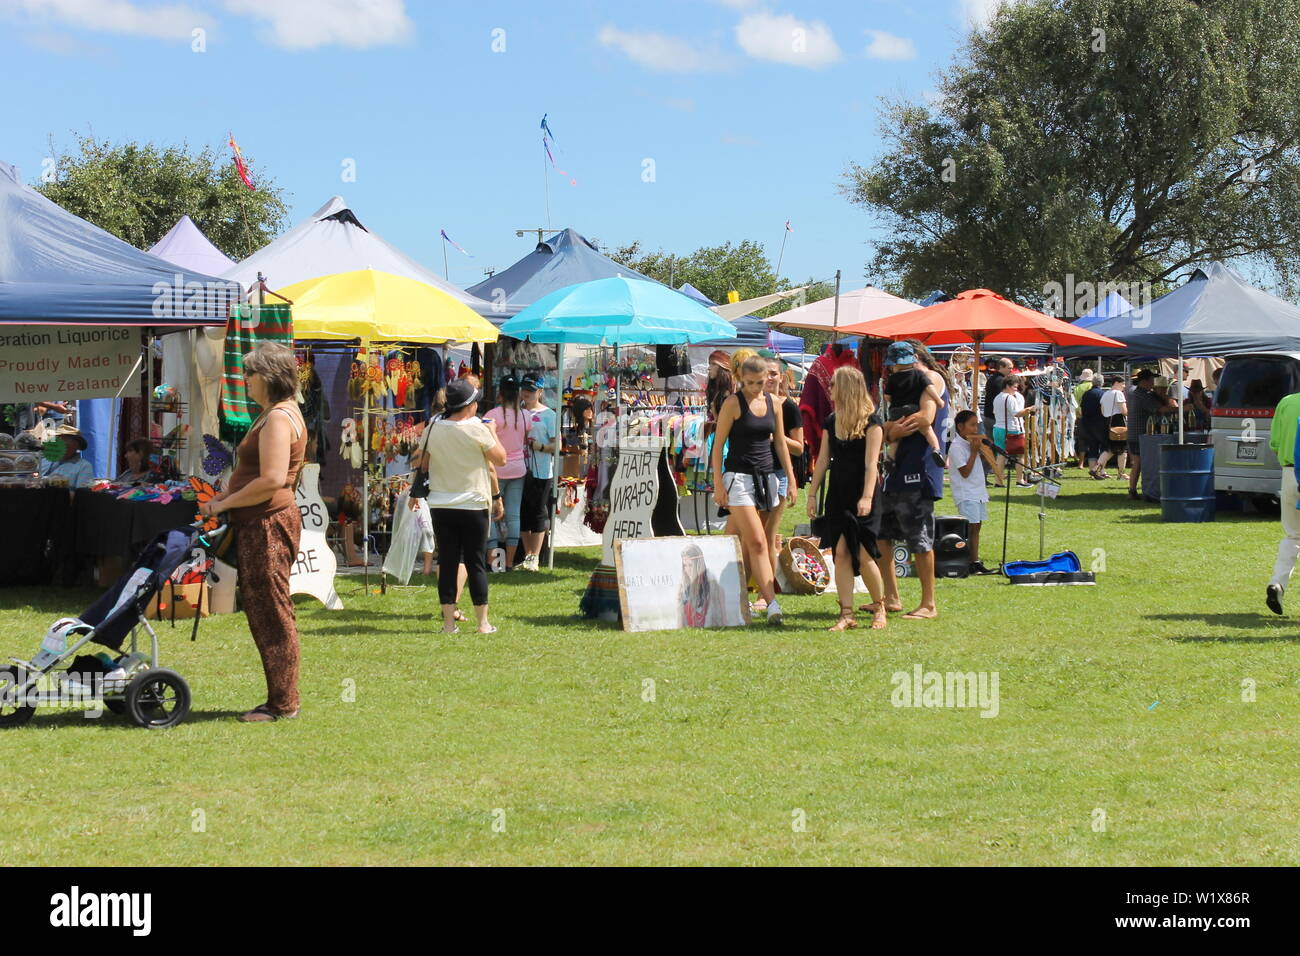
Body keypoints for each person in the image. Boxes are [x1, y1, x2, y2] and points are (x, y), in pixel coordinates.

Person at [198, 342, 307, 722]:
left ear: (269, 377)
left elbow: (273, 479)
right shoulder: (274, 413)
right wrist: (223, 497)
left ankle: (283, 704)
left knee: (272, 614)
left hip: (268, 524)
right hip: (261, 521)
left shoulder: (278, 417)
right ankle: (281, 699)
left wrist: (225, 504)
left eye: (250, 373)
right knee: (265, 612)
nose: (245, 380)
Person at [411, 377, 507, 633]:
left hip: (441, 502)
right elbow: (501, 459)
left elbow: (424, 461)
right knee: (475, 562)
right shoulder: (476, 428)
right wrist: (493, 432)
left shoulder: (433, 425)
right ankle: (483, 623)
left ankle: (448, 623)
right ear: (469, 405)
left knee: (448, 562)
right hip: (473, 502)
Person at [712, 354, 798, 625]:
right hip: (738, 478)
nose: (756, 388)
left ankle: (727, 597)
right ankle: (771, 603)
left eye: (760, 382)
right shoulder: (732, 403)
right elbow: (718, 445)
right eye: (750, 383)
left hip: (767, 479)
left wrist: (792, 479)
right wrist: (717, 483)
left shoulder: (774, 403)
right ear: (739, 379)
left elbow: (782, 445)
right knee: (759, 541)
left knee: (737, 542)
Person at [805, 366, 889, 631]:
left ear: (846, 388)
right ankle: (846, 613)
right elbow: (822, 462)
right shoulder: (832, 420)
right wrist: (811, 494)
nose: (829, 390)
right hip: (838, 495)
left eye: (833, 385)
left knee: (864, 554)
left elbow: (871, 465)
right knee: (840, 553)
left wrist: (866, 497)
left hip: (863, 495)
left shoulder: (872, 422)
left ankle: (880, 605)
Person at [870, 401, 944, 620]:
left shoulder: (927, 385)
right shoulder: (896, 394)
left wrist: (893, 428)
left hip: (916, 478)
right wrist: (892, 429)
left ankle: (928, 604)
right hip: (892, 481)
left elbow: (927, 418)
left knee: (920, 541)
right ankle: (891, 598)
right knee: (881, 535)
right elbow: (882, 435)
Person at [483, 376, 527, 571]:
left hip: (496, 469)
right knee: (513, 515)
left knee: (491, 514)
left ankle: (493, 563)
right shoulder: (525, 415)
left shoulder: (492, 415)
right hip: (518, 468)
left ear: (500, 394)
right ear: (518, 394)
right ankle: (509, 563)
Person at [948, 410, 999, 574]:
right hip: (966, 493)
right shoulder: (956, 447)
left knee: (977, 527)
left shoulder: (972, 443)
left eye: (976, 424)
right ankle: (967, 561)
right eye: (971, 425)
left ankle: (974, 561)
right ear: (960, 426)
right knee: (970, 528)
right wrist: (975, 451)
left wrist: (984, 453)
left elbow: (980, 463)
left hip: (978, 491)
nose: (975, 429)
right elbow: (965, 472)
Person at [764, 355, 803, 565]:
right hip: (752, 475)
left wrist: (778, 437)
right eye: (765, 373)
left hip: (778, 475)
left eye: (773, 374)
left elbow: (799, 448)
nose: (769, 378)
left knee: (769, 536)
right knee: (753, 535)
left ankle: (766, 593)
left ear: (781, 377)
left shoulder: (789, 408)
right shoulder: (751, 404)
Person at [882, 341, 945, 469]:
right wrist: (938, 400)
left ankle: (890, 458)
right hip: (909, 460)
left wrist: (891, 431)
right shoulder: (919, 376)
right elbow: (929, 389)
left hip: (921, 464)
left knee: (894, 440)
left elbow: (925, 418)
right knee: (928, 432)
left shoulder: (930, 375)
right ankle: (936, 449)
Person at [1265, 387, 1300, 614]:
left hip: (1290, 473)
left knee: (1293, 535)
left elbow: (1275, 442)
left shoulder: (1286, 401)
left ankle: (1278, 582)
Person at [519, 376, 558, 571]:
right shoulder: (517, 413)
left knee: (538, 512)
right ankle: (527, 555)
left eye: (532, 390)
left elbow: (556, 445)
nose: (527, 393)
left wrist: (539, 446)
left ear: (540, 392)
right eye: (524, 389)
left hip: (541, 471)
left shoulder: (549, 415)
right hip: (519, 469)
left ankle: (535, 556)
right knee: (522, 512)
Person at [1125, 368, 1178, 501]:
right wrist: (1180, 409)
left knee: (1138, 463)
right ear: (1145, 381)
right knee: (1138, 463)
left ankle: (1134, 490)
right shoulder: (1142, 395)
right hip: (1139, 434)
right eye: (1151, 380)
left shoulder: (1136, 393)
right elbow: (1160, 409)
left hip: (1134, 433)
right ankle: (1134, 490)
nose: (1153, 383)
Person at [992, 375, 1031, 487]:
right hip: (1012, 430)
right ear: (1008, 386)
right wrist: (1029, 409)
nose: (1016, 389)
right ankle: (1020, 480)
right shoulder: (1010, 398)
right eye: (1014, 387)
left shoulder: (998, 397)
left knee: (1000, 456)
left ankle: (998, 482)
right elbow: (1017, 413)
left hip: (998, 428)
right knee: (1020, 456)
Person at [678, 543, 724, 627]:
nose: (687, 569)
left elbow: (722, 618)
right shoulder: (682, 587)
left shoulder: (713, 586)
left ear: (698, 564)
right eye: (685, 565)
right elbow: (680, 621)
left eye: (690, 565)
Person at [1094, 375, 1129, 479]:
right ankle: (1121, 474)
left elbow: (1102, 410)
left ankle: (1095, 469)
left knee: (1110, 449)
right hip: (1118, 422)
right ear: (1116, 383)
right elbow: (1124, 411)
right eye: (1122, 383)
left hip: (1107, 422)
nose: (1124, 386)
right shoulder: (1119, 393)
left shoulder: (1105, 394)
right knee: (1122, 450)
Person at [39, 424, 95, 489]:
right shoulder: (45, 459)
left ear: (77, 446)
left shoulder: (84, 466)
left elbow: (81, 494)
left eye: (67, 444)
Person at [1079, 374, 1109, 475]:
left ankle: (1092, 469)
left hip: (1087, 423)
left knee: (1092, 447)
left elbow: (1082, 408)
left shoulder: (1086, 394)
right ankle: (1101, 470)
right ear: (1102, 383)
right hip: (1099, 423)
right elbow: (1104, 410)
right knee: (1104, 447)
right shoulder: (1102, 394)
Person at [982, 357, 1013, 438]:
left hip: (989, 416)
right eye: (1009, 368)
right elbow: (1003, 400)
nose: (1011, 370)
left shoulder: (992, 378)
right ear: (1001, 367)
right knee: (998, 446)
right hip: (996, 419)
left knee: (991, 445)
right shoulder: (1001, 381)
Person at [1073, 369, 1094, 468]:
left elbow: (1074, 403)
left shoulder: (1077, 388)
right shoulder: (1092, 387)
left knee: (1082, 439)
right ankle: (1093, 461)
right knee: (1093, 439)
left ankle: (1081, 462)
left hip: (1080, 416)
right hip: (1091, 416)